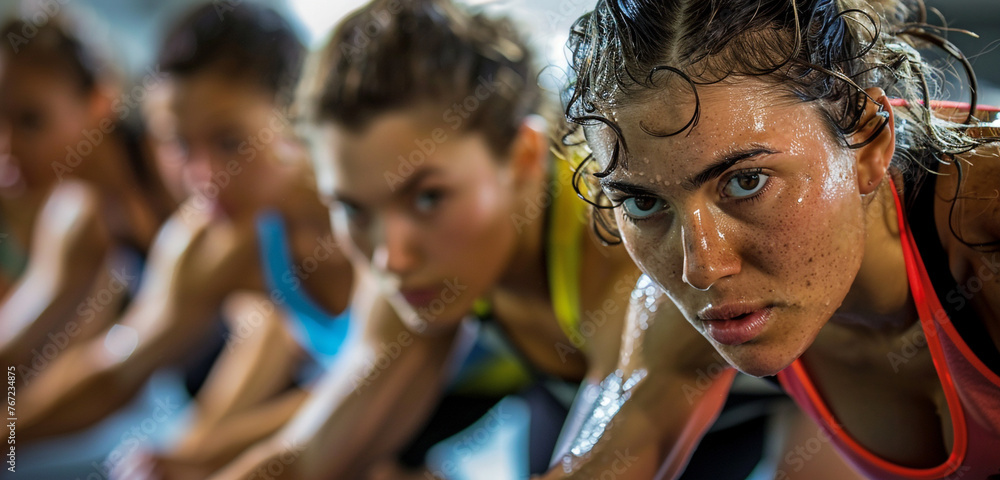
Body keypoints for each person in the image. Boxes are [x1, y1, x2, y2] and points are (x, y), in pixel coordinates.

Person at [212, 0, 796, 478]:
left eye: (429, 198)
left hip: (785, 403)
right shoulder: (417, 264)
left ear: (523, 154)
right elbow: (307, 456)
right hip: (579, 399)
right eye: (353, 209)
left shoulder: (614, 239)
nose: (392, 256)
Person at [552, 0, 1000, 477]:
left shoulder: (986, 220)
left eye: (747, 182)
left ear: (869, 143)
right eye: (644, 203)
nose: (702, 267)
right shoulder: (686, 314)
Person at [16, 6, 352, 469]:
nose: (202, 177)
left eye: (230, 141)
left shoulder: (365, 214)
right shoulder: (206, 240)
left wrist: (195, 455)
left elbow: (371, 387)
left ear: (295, 116)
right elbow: (117, 374)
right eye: (176, 143)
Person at [0, 11, 173, 379]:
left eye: (30, 119)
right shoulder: (71, 216)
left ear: (100, 102)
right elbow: (15, 348)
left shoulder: (173, 163)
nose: (7, 146)